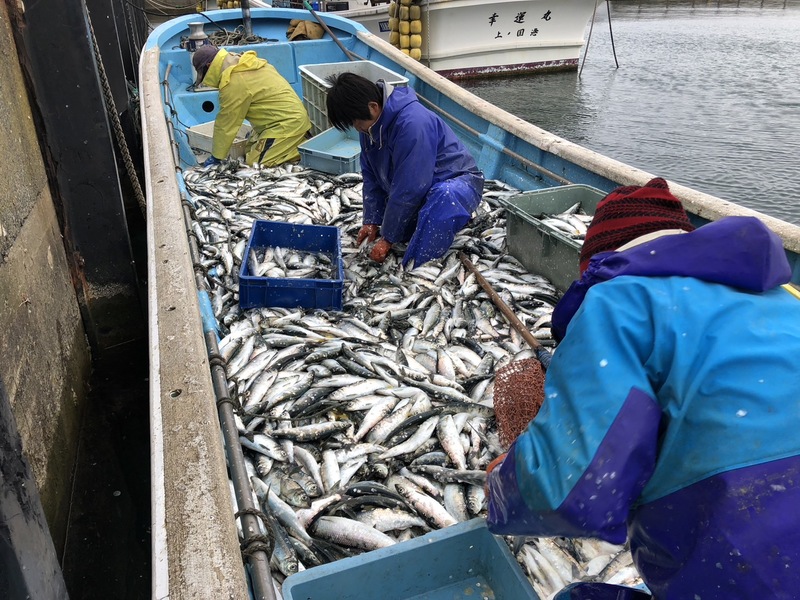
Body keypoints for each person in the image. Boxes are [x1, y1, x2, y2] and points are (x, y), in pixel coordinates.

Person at [485, 177, 800, 599]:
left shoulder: (618, 301)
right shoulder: (787, 298)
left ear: (600, 262)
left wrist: (502, 488)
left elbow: (571, 488)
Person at [325, 72, 484, 267]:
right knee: (405, 228)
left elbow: (410, 186)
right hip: (423, 189)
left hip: (459, 184)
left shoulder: (413, 123)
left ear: (373, 107)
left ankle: (419, 267)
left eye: (356, 122)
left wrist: (387, 238)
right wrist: (371, 220)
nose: (357, 128)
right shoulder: (370, 128)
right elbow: (371, 176)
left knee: (443, 198)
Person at [191, 44, 311, 168]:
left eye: (204, 74)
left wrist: (217, 156)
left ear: (209, 66)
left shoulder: (232, 81)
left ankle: (301, 149)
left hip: (287, 124)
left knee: (255, 164)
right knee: (248, 149)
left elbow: (226, 123)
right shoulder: (248, 62)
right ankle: (297, 140)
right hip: (284, 119)